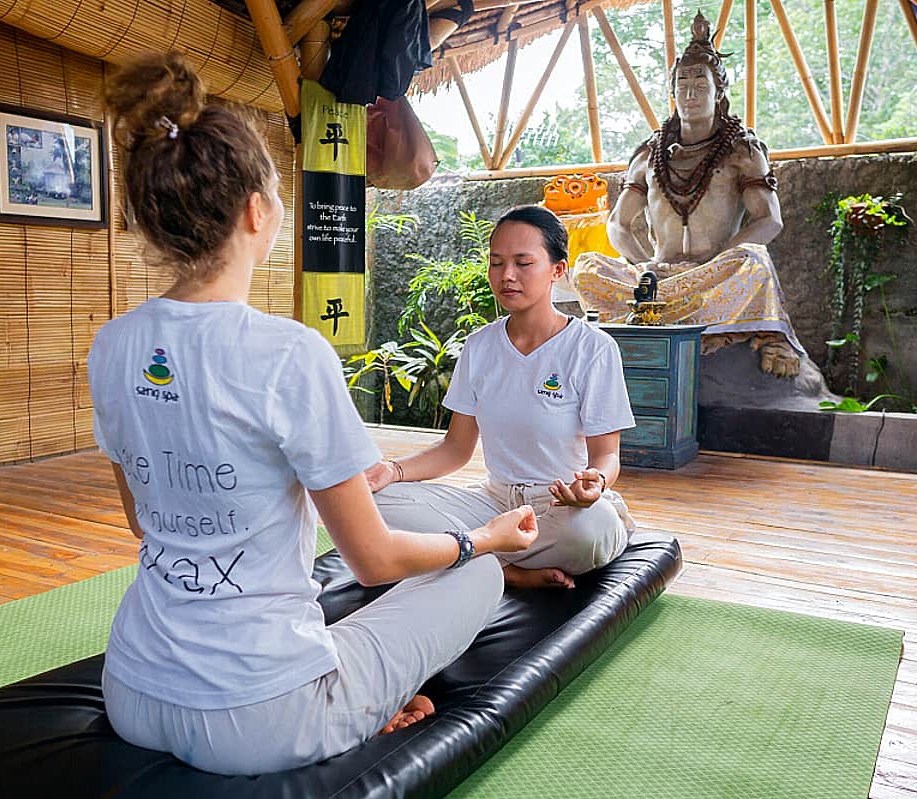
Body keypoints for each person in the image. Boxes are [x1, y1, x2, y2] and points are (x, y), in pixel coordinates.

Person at [88, 52, 538, 776]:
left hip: (133, 690)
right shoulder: (288, 352)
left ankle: (354, 693)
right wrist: (480, 539)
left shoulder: (112, 346)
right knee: (477, 576)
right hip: (265, 716)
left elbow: (145, 520)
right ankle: (351, 709)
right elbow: (374, 559)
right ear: (257, 212)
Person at [367, 206, 636, 591]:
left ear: (558, 271)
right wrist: (391, 470)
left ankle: (471, 555)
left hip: (560, 509)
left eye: (523, 263)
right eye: (497, 263)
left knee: (592, 532)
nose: (507, 275)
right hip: (495, 505)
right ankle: (506, 568)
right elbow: (455, 450)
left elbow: (607, 456)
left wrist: (595, 482)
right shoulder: (479, 347)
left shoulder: (592, 349)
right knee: (378, 501)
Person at [570, 13, 804, 378]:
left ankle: (687, 322)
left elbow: (768, 220)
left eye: (700, 84)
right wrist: (645, 265)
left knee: (754, 262)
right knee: (587, 268)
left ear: (719, 91)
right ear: (672, 91)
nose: (690, 94)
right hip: (658, 280)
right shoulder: (650, 153)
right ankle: (684, 317)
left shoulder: (741, 150)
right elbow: (618, 225)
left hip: (714, 275)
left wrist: (714, 263)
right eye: (682, 84)